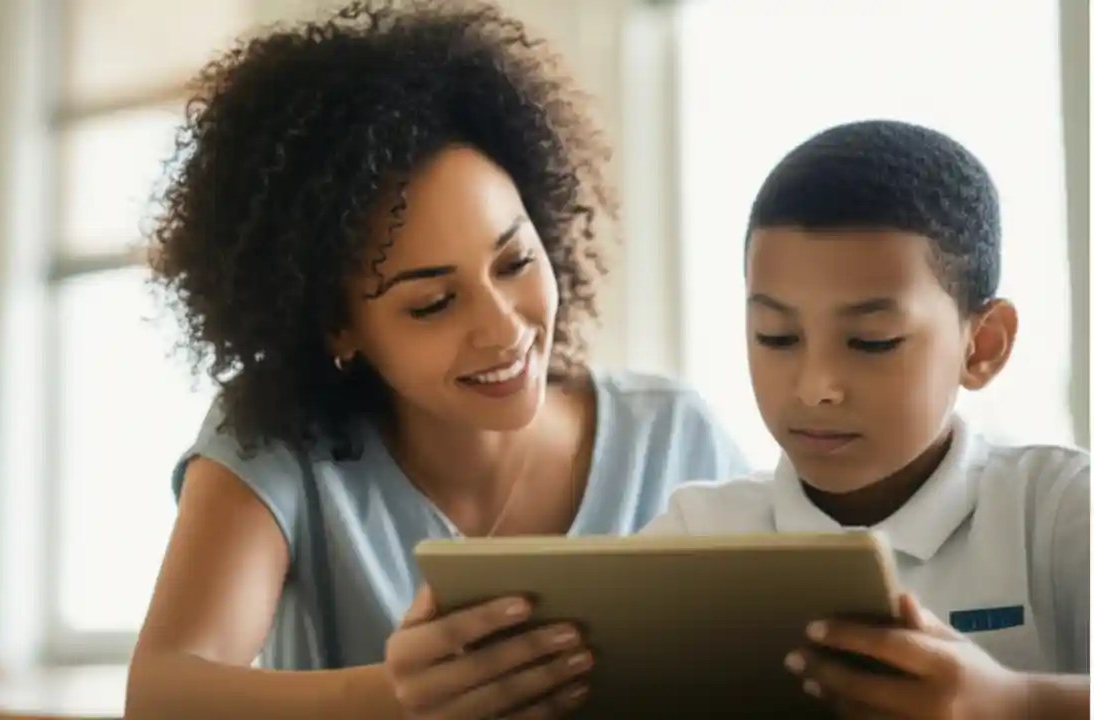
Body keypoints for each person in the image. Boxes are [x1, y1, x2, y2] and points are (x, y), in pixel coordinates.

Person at [125, 2, 748, 718]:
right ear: (337, 327)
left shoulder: (673, 438)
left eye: (515, 261)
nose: (501, 328)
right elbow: (164, 694)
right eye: (432, 303)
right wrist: (392, 698)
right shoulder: (277, 440)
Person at [644, 119, 1090, 718]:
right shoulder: (694, 541)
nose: (815, 387)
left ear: (981, 346)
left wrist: (1018, 702)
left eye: (871, 341)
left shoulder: (1058, 513)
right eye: (776, 337)